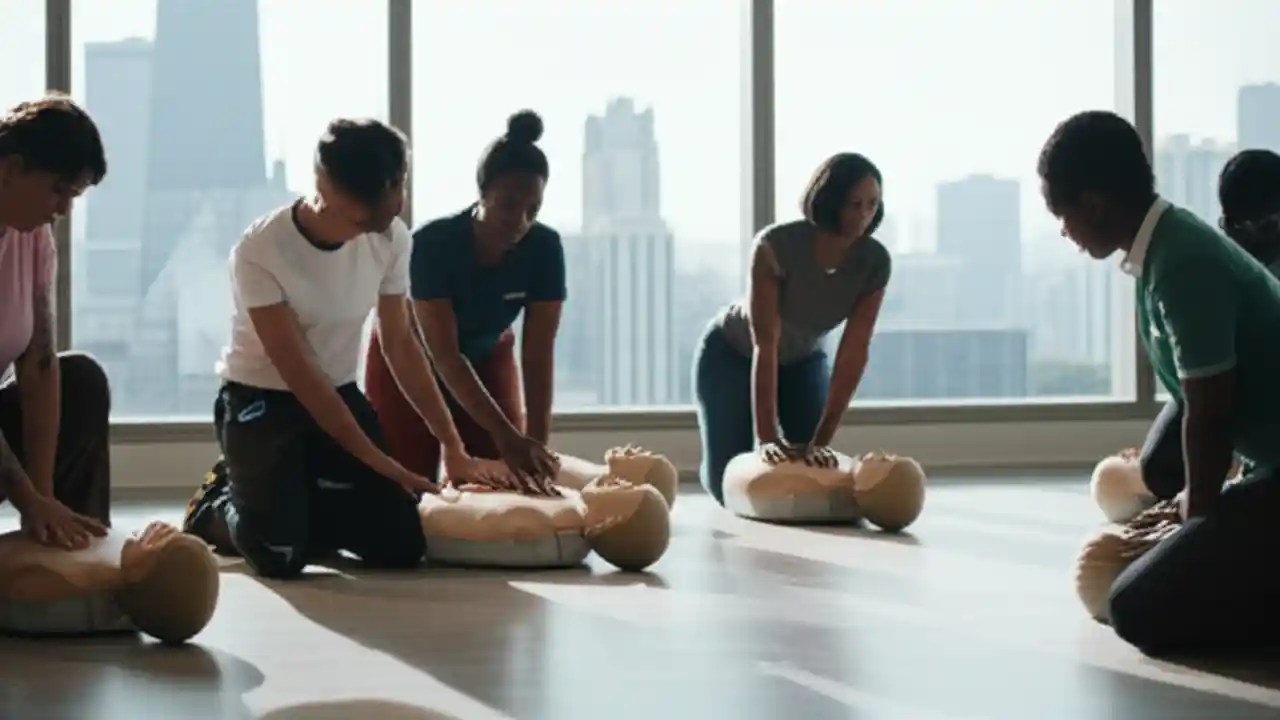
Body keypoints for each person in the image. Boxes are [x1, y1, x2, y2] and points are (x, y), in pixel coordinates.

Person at [182, 118, 509, 580]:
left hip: (338, 391)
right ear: (323, 186)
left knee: (399, 545)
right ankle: (220, 499)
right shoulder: (260, 250)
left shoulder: (391, 237)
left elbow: (399, 343)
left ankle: (292, 496)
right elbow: (307, 381)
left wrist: (452, 447)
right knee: (279, 554)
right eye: (361, 220)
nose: (374, 230)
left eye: (395, 197)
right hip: (262, 399)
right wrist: (386, 465)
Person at [1038, 110, 1280, 655]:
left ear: (1094, 202)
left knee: (1136, 608)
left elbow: (1210, 413)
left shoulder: (1182, 261)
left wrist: (1197, 528)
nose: (1064, 230)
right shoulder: (1162, 250)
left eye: (1063, 213)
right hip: (1267, 462)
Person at [364, 110, 563, 491]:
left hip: (488, 353)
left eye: (532, 209)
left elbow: (539, 354)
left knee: (503, 476)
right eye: (507, 204)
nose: (520, 221)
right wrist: (505, 432)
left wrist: (535, 444)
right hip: (410, 356)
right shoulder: (433, 245)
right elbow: (445, 356)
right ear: (483, 193)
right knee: (407, 486)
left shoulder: (545, 248)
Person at [693, 153, 891, 504]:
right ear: (830, 201)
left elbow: (852, 355)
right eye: (853, 204)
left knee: (812, 466)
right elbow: (764, 345)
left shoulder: (874, 263)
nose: (863, 216)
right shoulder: (775, 246)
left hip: (802, 359)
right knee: (728, 480)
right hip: (733, 353)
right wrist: (767, 438)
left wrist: (822, 439)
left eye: (872, 205)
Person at [0, 94, 112, 552]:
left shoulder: (33, 237)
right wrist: (27, 498)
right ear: (10, 169)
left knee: (80, 378)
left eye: (74, 196)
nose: (64, 210)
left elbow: (40, 364)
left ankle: (74, 547)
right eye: (59, 190)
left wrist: (44, 500)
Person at [1139, 148, 1280, 498]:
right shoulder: (1216, 258)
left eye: (1266, 225)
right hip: (1224, 373)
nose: (1250, 237)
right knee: (1159, 466)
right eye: (1235, 226)